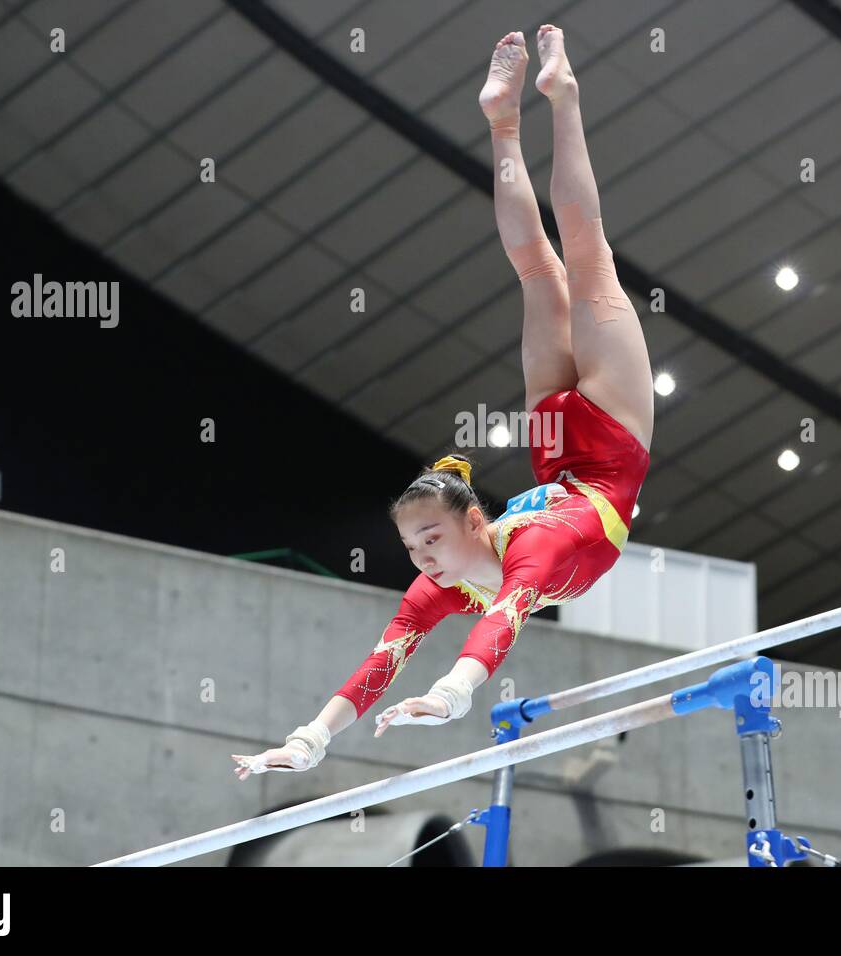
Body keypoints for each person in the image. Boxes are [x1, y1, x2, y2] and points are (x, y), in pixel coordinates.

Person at [233, 25, 654, 779]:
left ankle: (544, 103)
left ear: (471, 521)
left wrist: (455, 694)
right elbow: (381, 661)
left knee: (559, 261)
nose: (421, 555)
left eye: (427, 537)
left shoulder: (523, 556)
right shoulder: (470, 574)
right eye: (414, 544)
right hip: (602, 448)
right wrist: (307, 742)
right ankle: (523, 111)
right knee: (555, 261)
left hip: (572, 450)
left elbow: (502, 621)